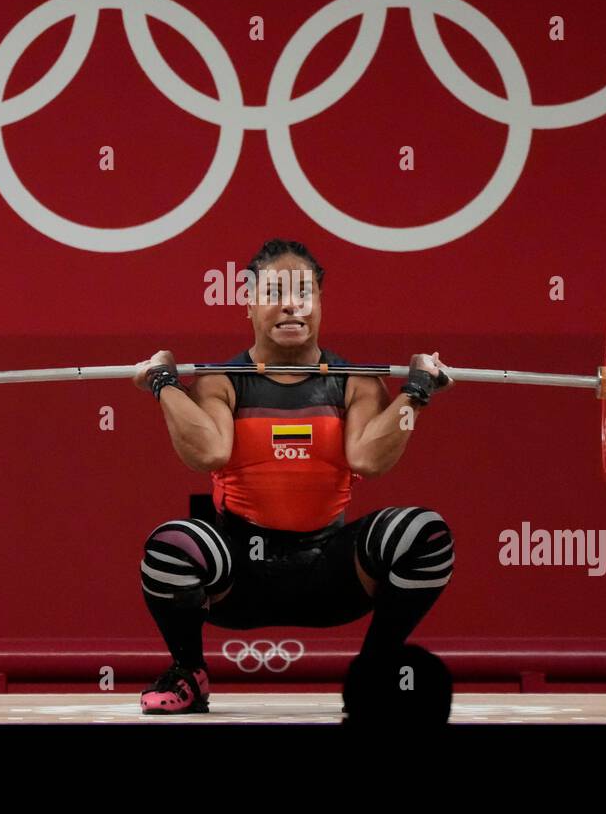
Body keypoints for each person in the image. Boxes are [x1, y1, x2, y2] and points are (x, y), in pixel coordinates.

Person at [133, 238, 455, 714]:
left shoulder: (356, 381)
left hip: (329, 570)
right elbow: (208, 453)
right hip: (237, 576)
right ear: (248, 303)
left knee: (423, 534)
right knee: (170, 546)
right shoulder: (220, 381)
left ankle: (373, 674)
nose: (290, 304)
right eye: (274, 292)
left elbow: (370, 459)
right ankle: (189, 672)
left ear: (320, 302)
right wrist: (164, 384)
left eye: (303, 291)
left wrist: (417, 391)